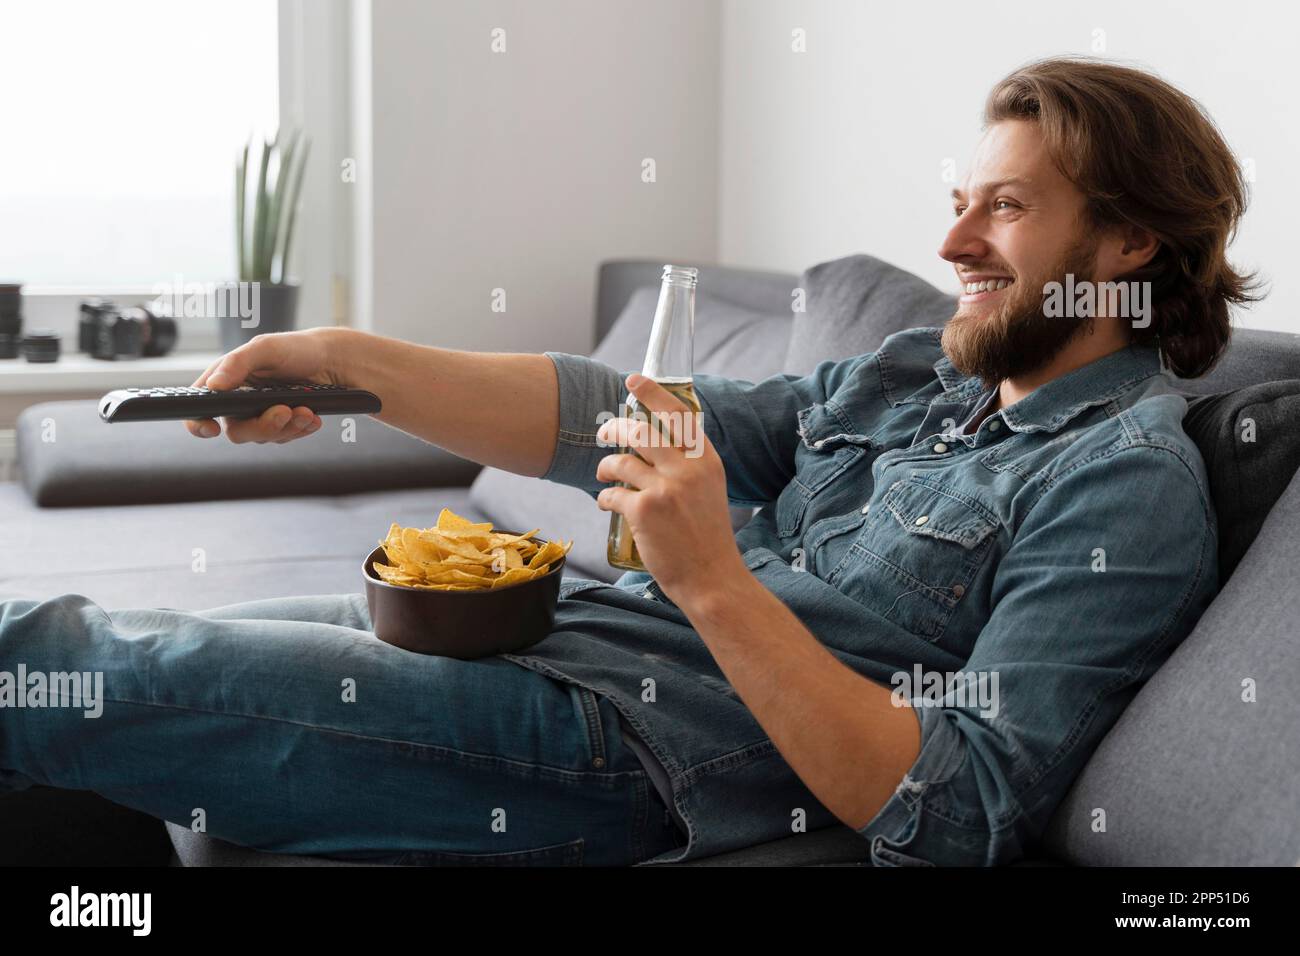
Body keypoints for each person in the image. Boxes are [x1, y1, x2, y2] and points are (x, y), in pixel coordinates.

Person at [0, 55, 1260, 866]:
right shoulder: (919, 375)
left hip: (611, 748)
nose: (952, 238)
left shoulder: (1122, 484)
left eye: (1005, 207)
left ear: (1130, 242)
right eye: (963, 197)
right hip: (555, 636)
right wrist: (344, 360)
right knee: (85, 678)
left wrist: (714, 575)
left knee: (52, 660)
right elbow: (616, 409)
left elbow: (960, 807)